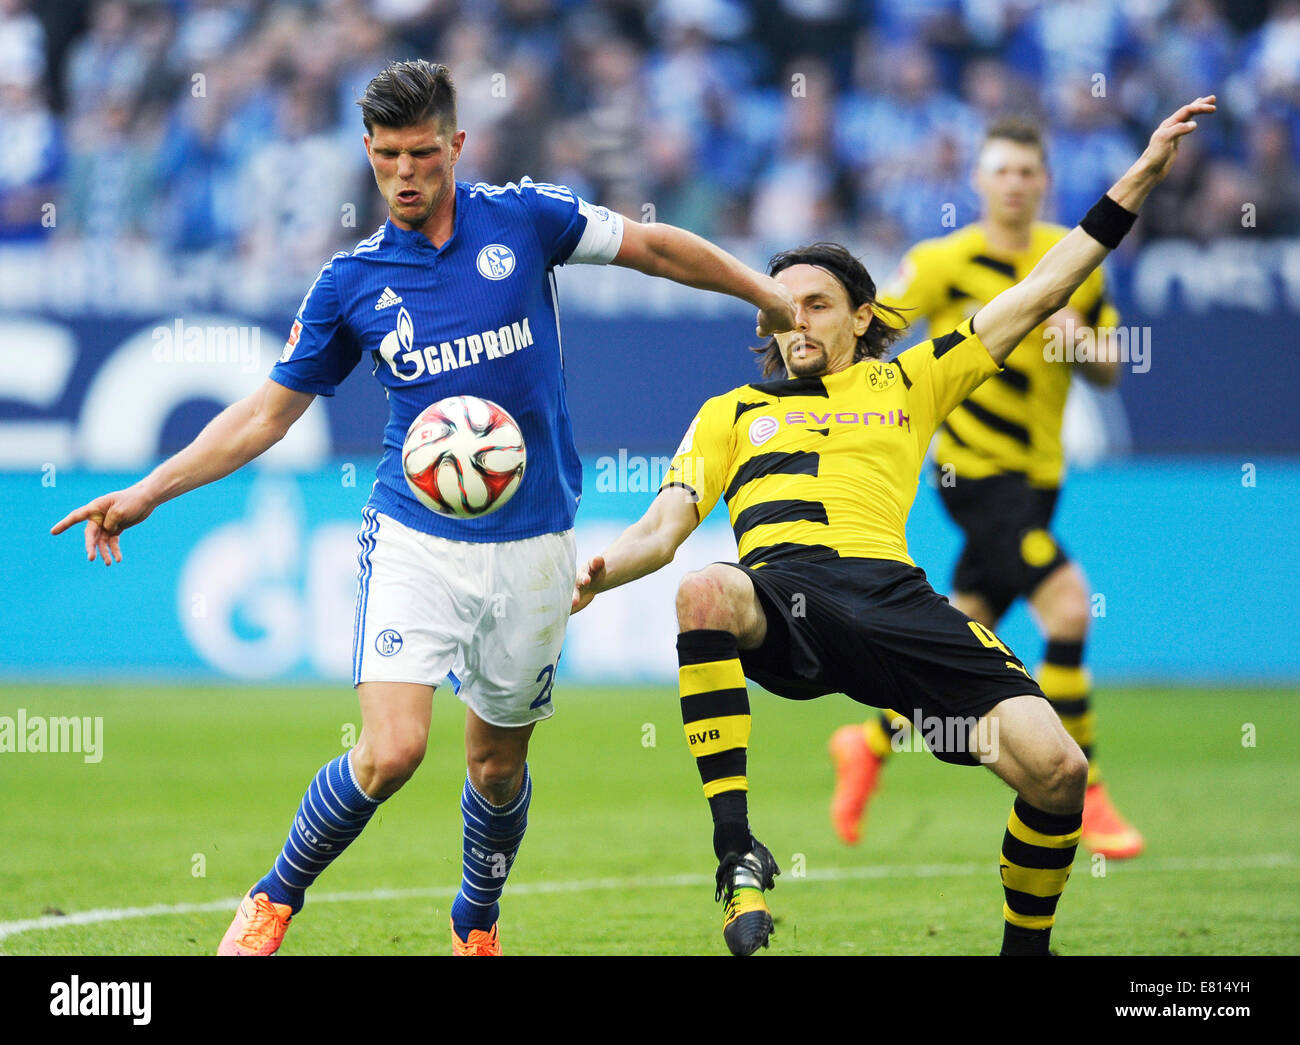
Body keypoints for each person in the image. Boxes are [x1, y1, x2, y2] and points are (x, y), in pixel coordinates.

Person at [51, 59, 795, 957]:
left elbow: (655, 247)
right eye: (387, 156)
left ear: (456, 145)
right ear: (368, 152)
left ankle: (475, 920)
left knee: (497, 765)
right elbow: (262, 415)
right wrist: (143, 493)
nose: (405, 174)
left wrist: (767, 294)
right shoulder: (351, 283)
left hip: (535, 546)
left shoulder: (524, 218)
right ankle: (270, 902)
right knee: (391, 751)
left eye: (422, 154)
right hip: (416, 539)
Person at [572, 98, 1214, 956]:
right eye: (782, 302)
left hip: (897, 603)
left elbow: (1041, 290)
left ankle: (1025, 949)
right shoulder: (729, 413)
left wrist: (1139, 175)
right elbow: (662, 529)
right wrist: (597, 571)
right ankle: (737, 853)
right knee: (702, 586)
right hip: (787, 598)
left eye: (818, 303)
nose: (797, 318)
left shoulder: (908, 382)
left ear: (860, 317)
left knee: (1059, 774)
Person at [828, 117, 1145, 859]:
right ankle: (1087, 789)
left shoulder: (1073, 262)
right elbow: (881, 328)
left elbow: (1110, 365)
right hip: (970, 473)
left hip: (1039, 480)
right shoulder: (942, 260)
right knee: (1067, 606)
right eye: (999, 171)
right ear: (978, 180)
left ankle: (868, 743)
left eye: (1026, 172)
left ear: (1043, 182)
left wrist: (1086, 346)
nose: (1013, 183)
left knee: (958, 631)